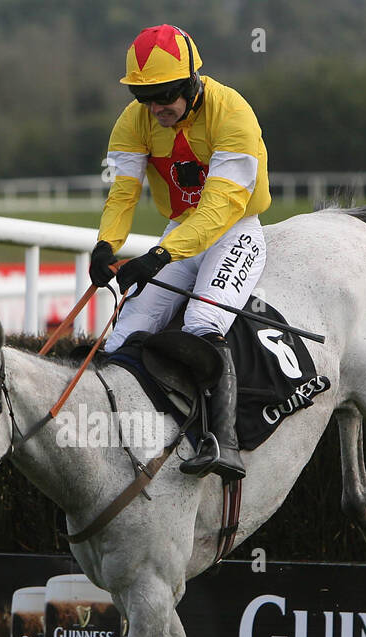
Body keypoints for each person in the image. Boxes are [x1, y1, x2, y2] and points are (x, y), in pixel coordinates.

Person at [90, 24, 271, 481]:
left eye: (165, 96)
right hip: (180, 232)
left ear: (192, 83)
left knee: (201, 322)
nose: (155, 109)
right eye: (144, 97)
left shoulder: (233, 113)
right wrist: (106, 244)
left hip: (235, 228)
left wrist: (159, 255)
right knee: (125, 330)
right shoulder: (133, 122)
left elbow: (219, 209)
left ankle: (223, 441)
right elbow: (122, 194)